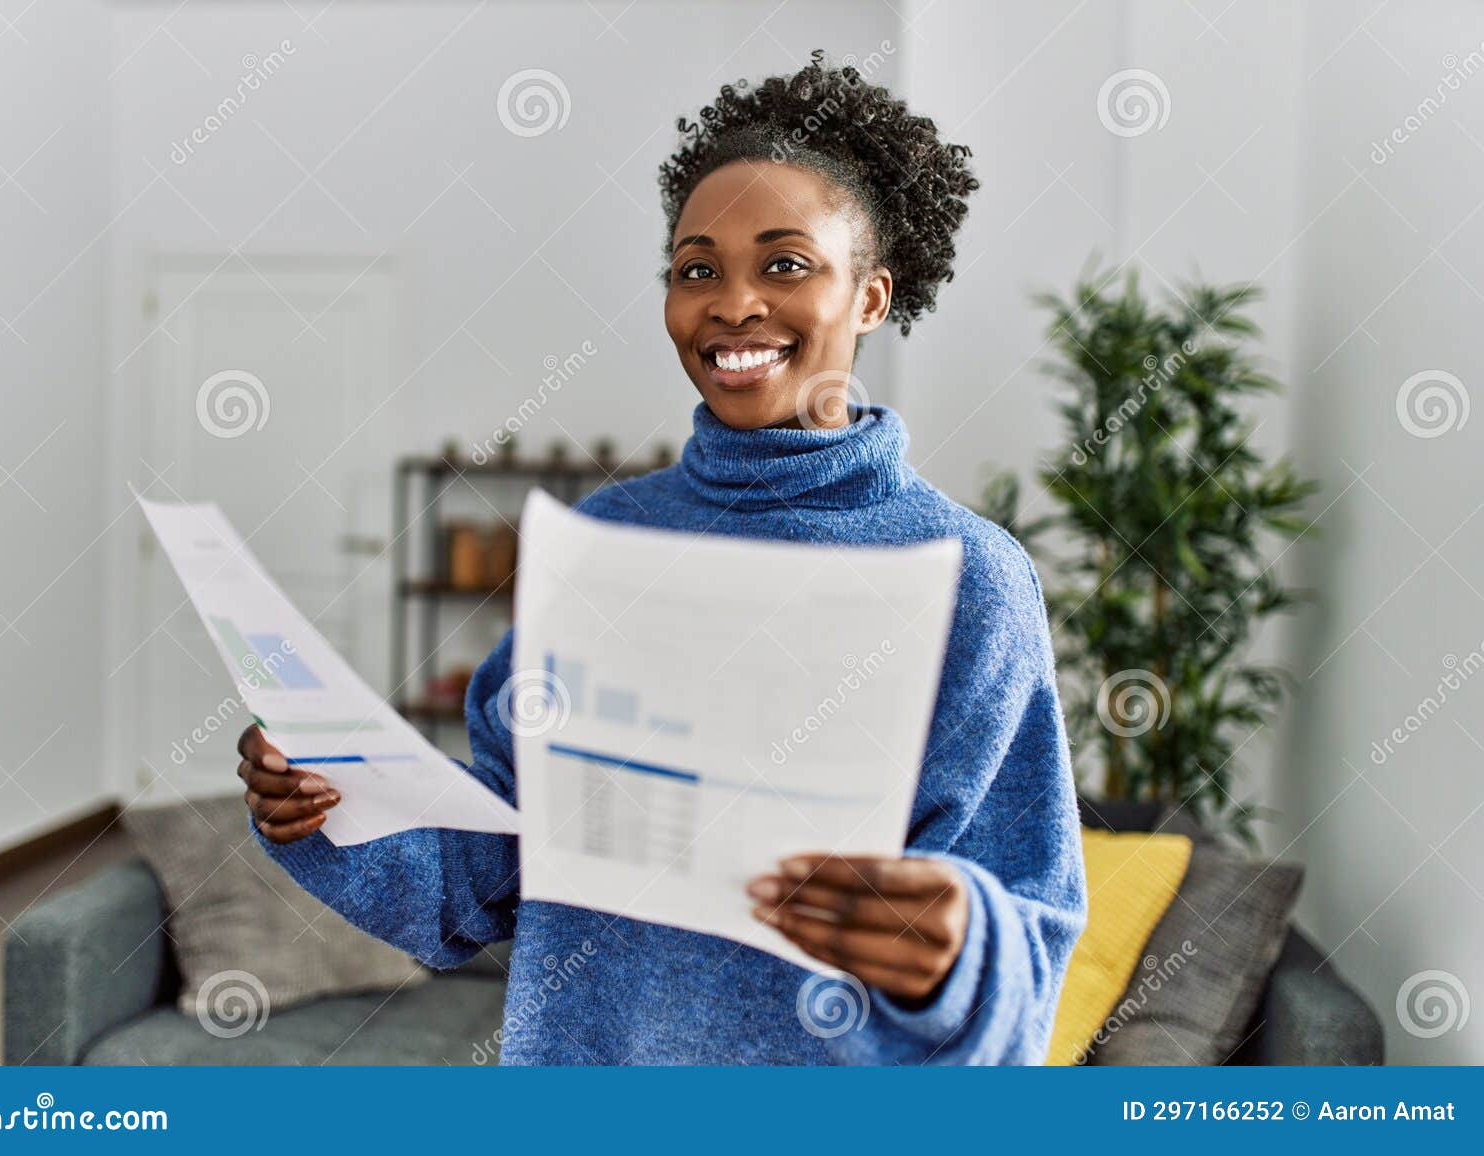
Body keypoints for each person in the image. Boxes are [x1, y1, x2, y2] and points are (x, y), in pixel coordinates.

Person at [238, 49, 1085, 1064]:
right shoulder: (604, 542)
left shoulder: (969, 577)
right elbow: (490, 872)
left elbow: (1025, 940)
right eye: (696, 269)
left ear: (869, 297)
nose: (731, 304)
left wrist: (959, 952)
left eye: (784, 263)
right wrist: (332, 808)